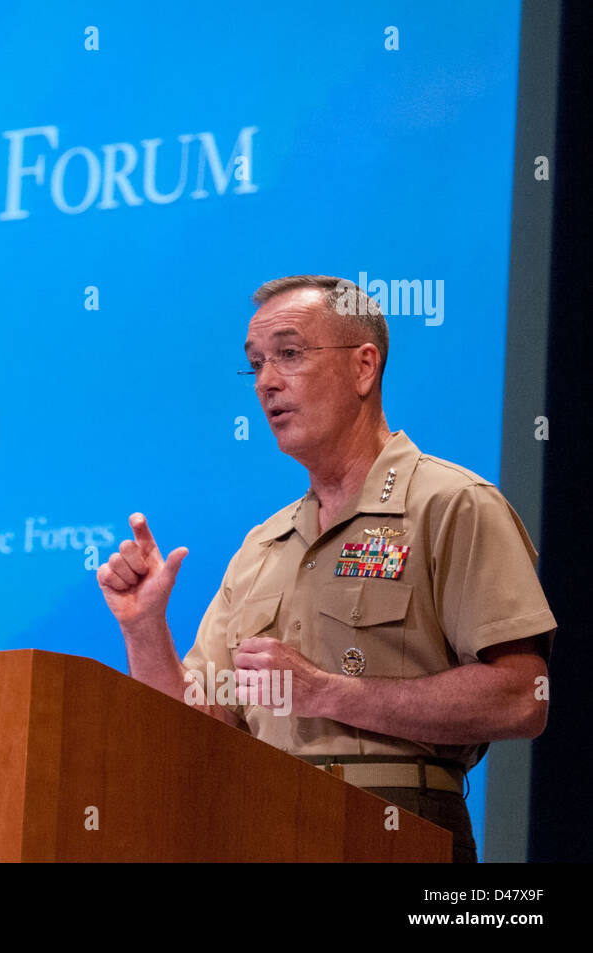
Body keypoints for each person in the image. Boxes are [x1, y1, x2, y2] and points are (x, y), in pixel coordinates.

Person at [98, 274, 555, 863]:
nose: (266, 381)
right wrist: (143, 628)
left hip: (395, 829)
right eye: (256, 363)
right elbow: (193, 731)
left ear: (365, 367)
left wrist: (328, 693)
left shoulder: (450, 504)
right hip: (256, 829)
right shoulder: (262, 546)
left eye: (289, 354)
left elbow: (522, 697)